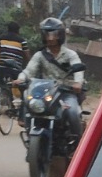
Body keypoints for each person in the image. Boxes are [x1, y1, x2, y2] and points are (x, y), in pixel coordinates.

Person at [18, 16, 85, 148]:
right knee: (29, 106)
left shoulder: (70, 54)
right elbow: (29, 70)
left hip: (66, 92)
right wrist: (20, 78)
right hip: (46, 92)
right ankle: (30, 134)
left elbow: (78, 69)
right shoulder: (40, 55)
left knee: (72, 113)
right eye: (47, 34)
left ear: (60, 35)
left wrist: (78, 83)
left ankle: (78, 146)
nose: (50, 38)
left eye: (54, 34)